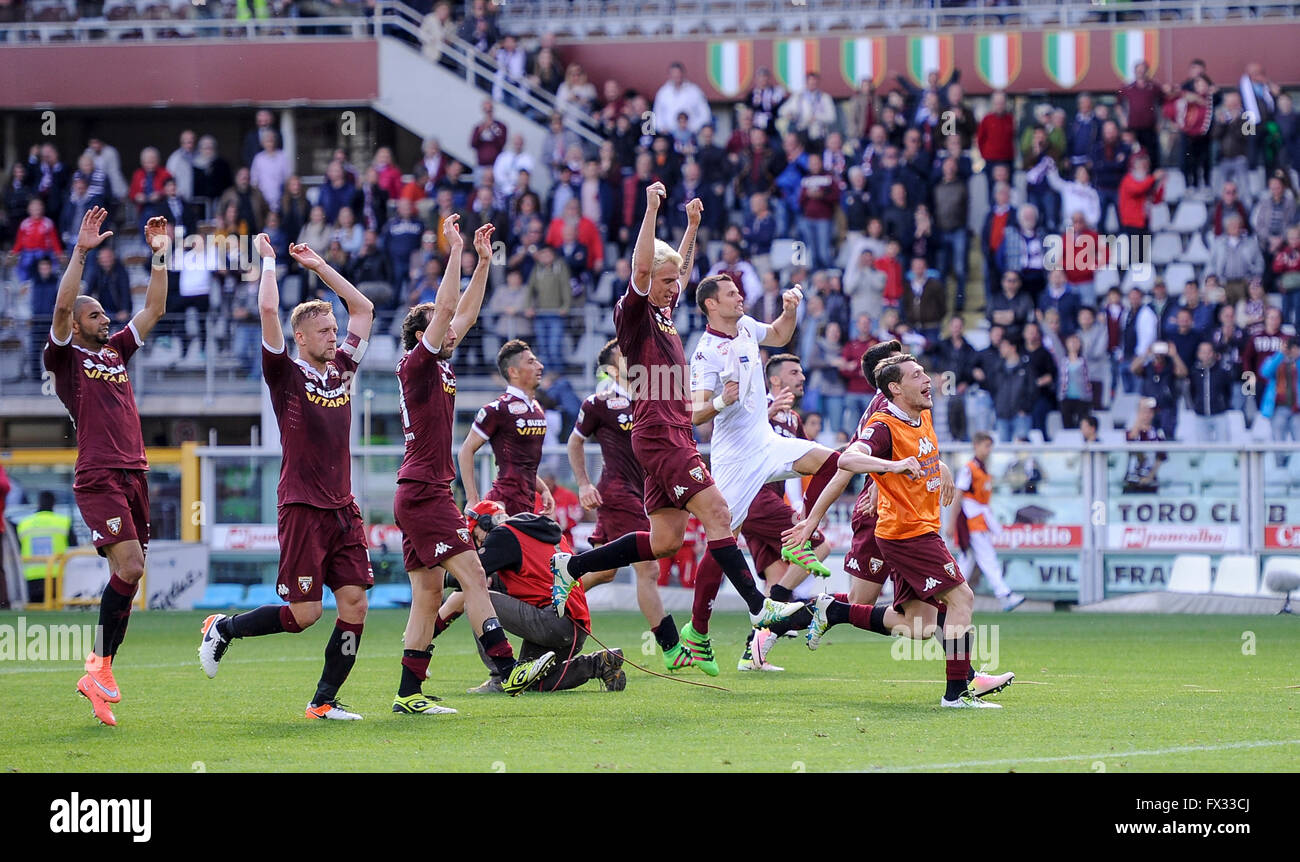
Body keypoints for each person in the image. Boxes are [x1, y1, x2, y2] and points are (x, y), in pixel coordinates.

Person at [549, 183, 803, 667]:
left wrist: (690, 229)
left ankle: (572, 565)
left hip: (668, 434)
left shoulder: (664, 312)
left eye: (673, 282)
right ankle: (760, 606)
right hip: (662, 434)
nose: (674, 288)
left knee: (665, 541)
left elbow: (672, 268)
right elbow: (645, 268)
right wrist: (651, 208)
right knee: (719, 516)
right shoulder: (635, 313)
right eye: (666, 283)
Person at [197, 231, 378, 720]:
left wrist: (320, 268)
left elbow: (363, 311)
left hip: (342, 507)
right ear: (301, 339)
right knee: (304, 616)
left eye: (333, 330)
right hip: (302, 506)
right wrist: (271, 265)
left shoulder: (341, 371)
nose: (334, 336)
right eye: (323, 331)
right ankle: (223, 629)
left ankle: (322, 702)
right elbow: (269, 315)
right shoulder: (286, 375)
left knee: (355, 604)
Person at [382, 220, 556, 711]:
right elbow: (446, 309)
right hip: (423, 490)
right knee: (475, 576)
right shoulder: (417, 363)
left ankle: (408, 694)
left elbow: (466, 313)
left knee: (427, 595)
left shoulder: (439, 364)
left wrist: (483, 262)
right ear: (420, 336)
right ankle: (506, 667)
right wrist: (455, 250)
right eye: (440, 327)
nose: (451, 329)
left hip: (421, 490)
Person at [786, 353, 1015, 708]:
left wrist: (941, 467)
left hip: (917, 529)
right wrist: (888, 467)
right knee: (962, 598)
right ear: (895, 388)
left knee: (920, 625)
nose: (927, 379)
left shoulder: (921, 413)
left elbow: (921, 454)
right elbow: (847, 459)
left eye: (925, 371)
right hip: (907, 533)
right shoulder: (883, 424)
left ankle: (834, 611)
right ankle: (958, 693)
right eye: (917, 374)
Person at [45, 209, 169, 727]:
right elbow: (62, 304)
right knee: (133, 568)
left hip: (133, 473)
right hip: (98, 473)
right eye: (96, 317)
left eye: (104, 317)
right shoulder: (66, 358)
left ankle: (98, 674)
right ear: (77, 324)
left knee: (127, 573)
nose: (106, 321)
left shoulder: (116, 353)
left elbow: (156, 309)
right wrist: (80, 251)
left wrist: (160, 251)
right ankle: (98, 663)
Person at [427, 500, 626, 694]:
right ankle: (598, 664)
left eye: (476, 535)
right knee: (529, 682)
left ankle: (499, 677)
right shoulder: (530, 533)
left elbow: (469, 576)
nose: (478, 544)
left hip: (554, 621)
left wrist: (433, 574)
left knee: (476, 598)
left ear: (487, 523)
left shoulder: (503, 535)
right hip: (574, 626)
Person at [567, 340, 680, 669]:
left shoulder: (649, 396)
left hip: (645, 492)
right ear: (612, 366)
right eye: (624, 354)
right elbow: (575, 442)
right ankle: (673, 648)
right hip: (618, 492)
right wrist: (584, 483)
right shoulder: (601, 401)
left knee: (604, 572)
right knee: (649, 566)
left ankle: (555, 595)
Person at [458, 340, 555, 518]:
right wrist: (472, 499)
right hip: (503, 503)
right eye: (531, 362)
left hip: (527, 502)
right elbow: (465, 450)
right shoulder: (497, 409)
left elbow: (522, 465)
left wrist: (543, 490)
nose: (540, 366)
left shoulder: (537, 408)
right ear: (513, 372)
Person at [946, 433, 1025, 612]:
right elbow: (958, 496)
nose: (989, 450)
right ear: (976, 445)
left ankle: (949, 597)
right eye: (986, 446)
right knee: (988, 559)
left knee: (967, 562)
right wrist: (951, 523)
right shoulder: (969, 469)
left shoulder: (982, 469)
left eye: (990, 446)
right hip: (973, 523)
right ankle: (1005, 595)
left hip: (979, 521)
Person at [16, 490, 75, 606]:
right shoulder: (63, 522)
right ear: (54, 503)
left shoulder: (24, 524)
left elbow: (18, 548)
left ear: (38, 503)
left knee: (34, 613)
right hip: (57, 577)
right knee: (57, 613)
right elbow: (74, 548)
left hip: (31, 577)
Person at [1122, 398, 1166, 493]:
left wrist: (1149, 477)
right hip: (1131, 480)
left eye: (1150, 412)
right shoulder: (1131, 430)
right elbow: (1131, 438)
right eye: (1144, 411)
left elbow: (1160, 458)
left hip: (1150, 481)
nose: (1147, 415)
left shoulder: (1158, 433)